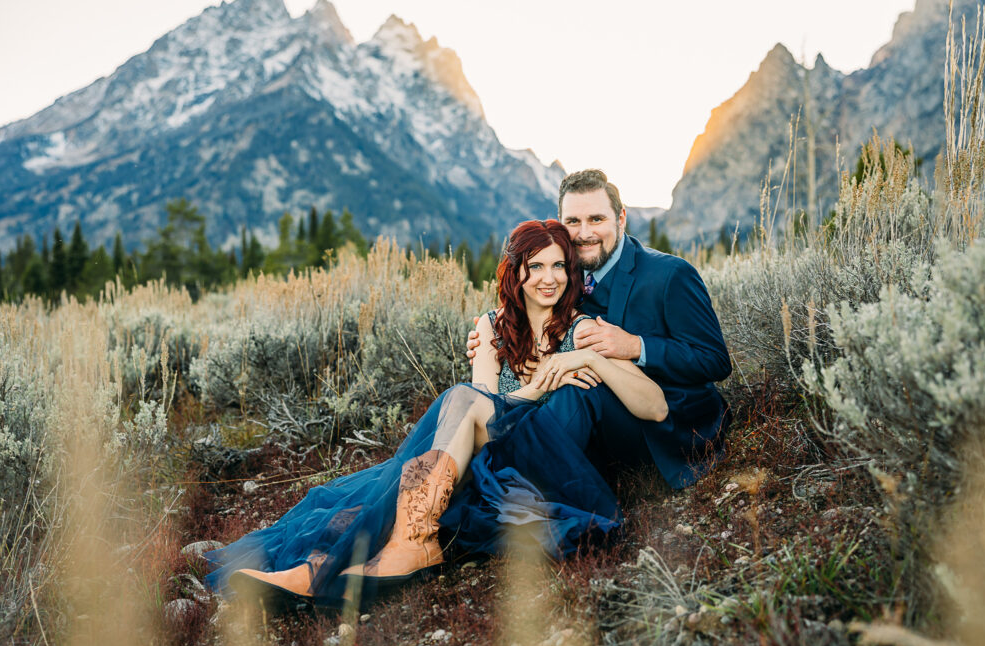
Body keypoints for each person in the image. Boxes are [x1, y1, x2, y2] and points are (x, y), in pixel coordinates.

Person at [204, 219, 668, 612]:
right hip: (492, 457)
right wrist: (533, 387)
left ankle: (371, 557)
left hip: (548, 463)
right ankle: (340, 561)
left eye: (560, 266)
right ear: (516, 273)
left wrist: (589, 360)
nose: (551, 278)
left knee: (450, 416)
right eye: (537, 266)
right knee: (399, 467)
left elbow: (656, 406)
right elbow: (484, 404)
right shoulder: (491, 327)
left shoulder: (582, 329)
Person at [467, 170, 732, 488]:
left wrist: (636, 346)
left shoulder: (671, 275)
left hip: (668, 425)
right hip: (594, 422)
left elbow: (715, 360)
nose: (584, 233)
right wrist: (502, 330)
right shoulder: (565, 274)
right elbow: (537, 304)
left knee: (575, 392)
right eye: (573, 222)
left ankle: (512, 484)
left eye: (596, 219)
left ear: (621, 218)